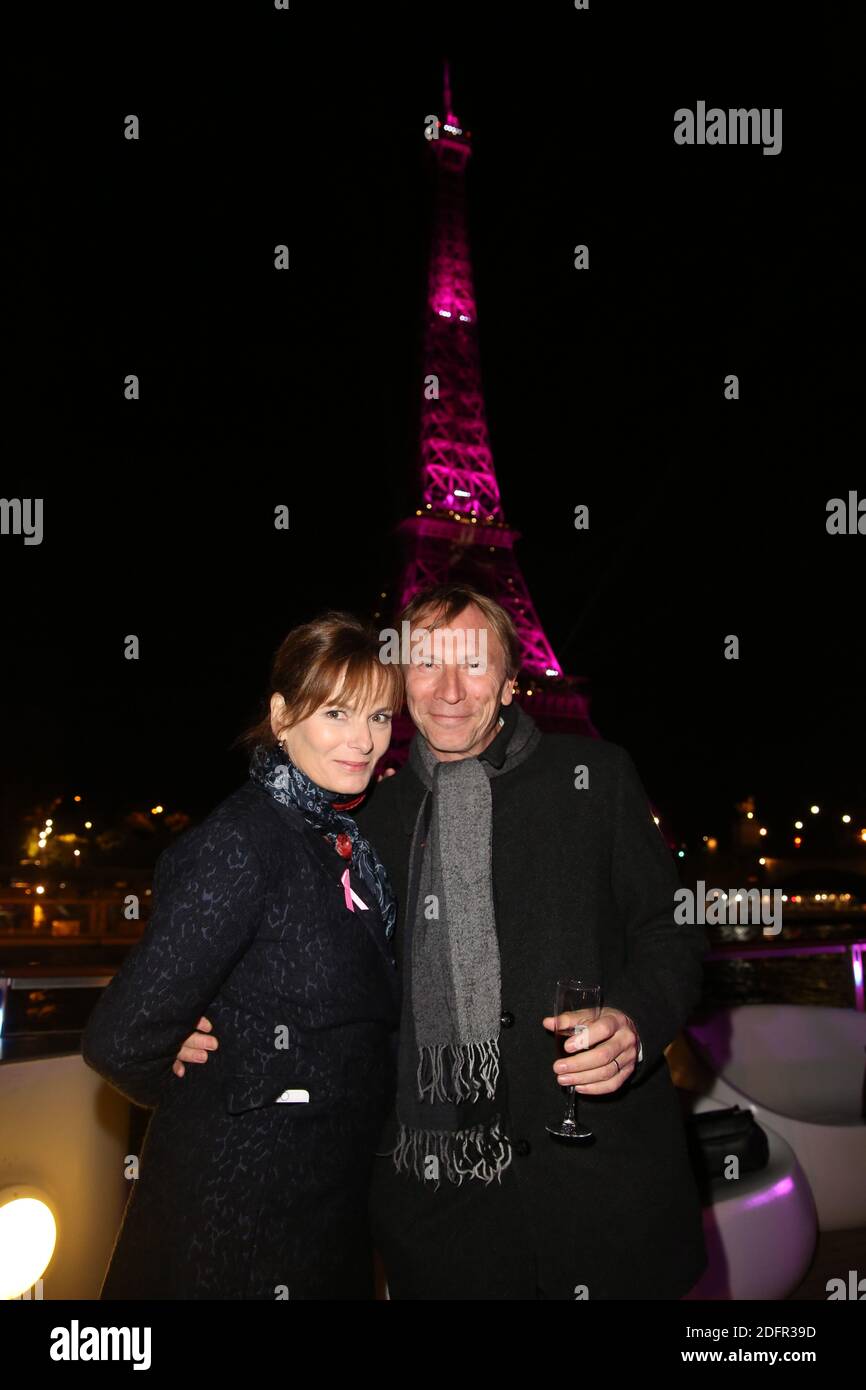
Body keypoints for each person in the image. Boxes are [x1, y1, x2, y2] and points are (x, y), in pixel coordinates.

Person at [178, 583, 710, 1300]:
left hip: (605, 1197)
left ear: (512, 679)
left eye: (475, 664)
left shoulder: (599, 779)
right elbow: (311, 974)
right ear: (401, 677)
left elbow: (670, 925)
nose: (450, 690)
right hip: (441, 1215)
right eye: (426, 663)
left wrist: (636, 1022)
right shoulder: (365, 823)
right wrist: (202, 1013)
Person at [82, 612, 403, 1299]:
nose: (364, 740)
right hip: (241, 1211)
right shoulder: (244, 842)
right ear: (282, 716)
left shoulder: (339, 842)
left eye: (379, 716)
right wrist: (224, 1080)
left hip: (323, 1201)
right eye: (338, 712)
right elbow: (119, 1038)